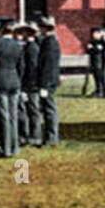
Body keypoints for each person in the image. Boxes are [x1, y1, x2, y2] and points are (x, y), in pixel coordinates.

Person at [0, 19, 25, 158]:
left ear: (1, 30)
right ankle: (15, 147)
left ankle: (5, 148)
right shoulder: (18, 45)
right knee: (13, 115)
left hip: (1, 80)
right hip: (14, 80)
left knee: (3, 116)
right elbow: (21, 66)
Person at [37, 15, 62, 145]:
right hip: (50, 80)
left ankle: (52, 137)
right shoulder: (50, 41)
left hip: (48, 81)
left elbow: (48, 65)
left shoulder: (49, 42)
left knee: (49, 109)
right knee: (48, 109)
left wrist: (44, 85)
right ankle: (50, 136)